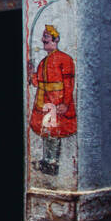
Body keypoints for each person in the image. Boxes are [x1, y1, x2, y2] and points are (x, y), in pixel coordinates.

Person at [28, 24, 75, 174]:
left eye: (46, 37)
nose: (43, 39)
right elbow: (37, 82)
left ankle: (53, 163)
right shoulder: (43, 61)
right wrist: (31, 74)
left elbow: (68, 83)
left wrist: (66, 103)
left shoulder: (65, 59)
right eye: (43, 37)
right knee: (46, 131)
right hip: (44, 102)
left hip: (56, 101)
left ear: (55, 39)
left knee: (54, 132)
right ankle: (47, 161)